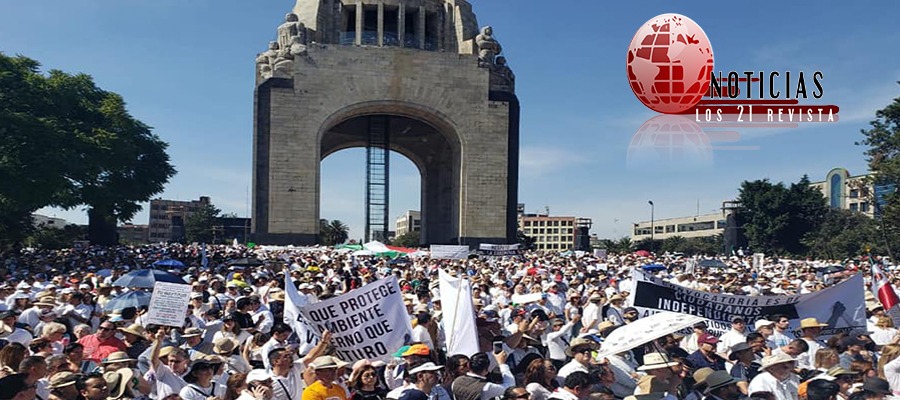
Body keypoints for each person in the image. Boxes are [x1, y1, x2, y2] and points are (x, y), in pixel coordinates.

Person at [149, 329, 189, 398]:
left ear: (186, 361)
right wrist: (158, 342)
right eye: (171, 361)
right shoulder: (164, 371)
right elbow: (154, 360)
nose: (173, 364)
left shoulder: (193, 373)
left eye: (177, 362)